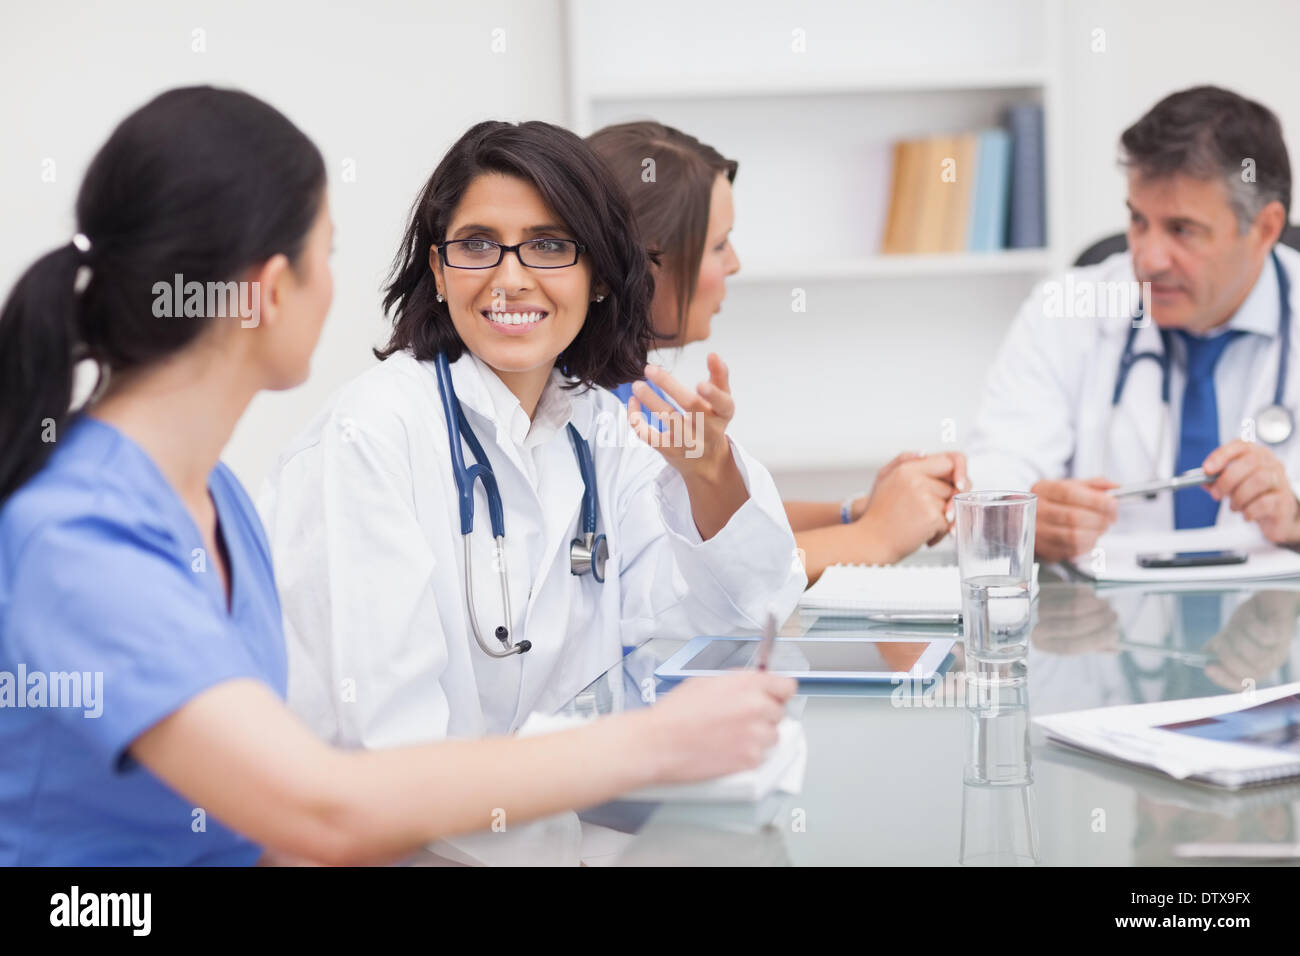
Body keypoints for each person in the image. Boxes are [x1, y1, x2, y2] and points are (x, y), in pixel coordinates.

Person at [0, 88, 795, 866]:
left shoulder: (215, 503)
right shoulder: (86, 531)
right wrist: (645, 748)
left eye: (551, 246)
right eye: (329, 253)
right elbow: (328, 804)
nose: (512, 276)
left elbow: (274, 828)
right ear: (274, 288)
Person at [259, 119, 805, 752]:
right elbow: (387, 748)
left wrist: (709, 473)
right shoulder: (370, 438)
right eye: (477, 245)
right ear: (439, 271)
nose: (511, 277)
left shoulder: (601, 427)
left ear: (599, 275)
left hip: (558, 827)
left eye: (548, 246)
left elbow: (736, 625)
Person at [585, 121, 968, 585]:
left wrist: (852, 513)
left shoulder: (638, 388)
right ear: (642, 263)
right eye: (719, 245)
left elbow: (726, 527)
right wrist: (877, 536)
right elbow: (694, 573)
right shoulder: (596, 412)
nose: (735, 263)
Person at [967, 86, 1300, 562]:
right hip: (1099, 625)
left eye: (1182, 230)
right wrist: (1023, 518)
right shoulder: (1065, 309)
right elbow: (993, 475)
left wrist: (1295, 517)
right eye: (1139, 221)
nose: (1147, 258)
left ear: (1265, 229)